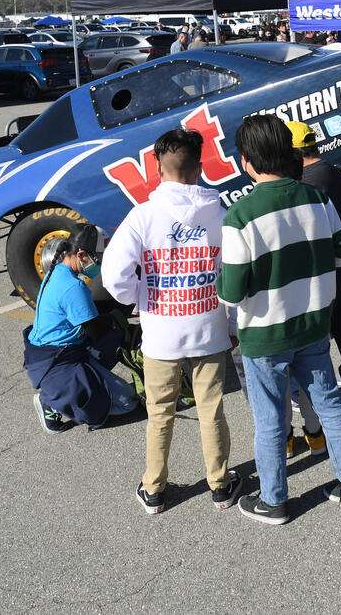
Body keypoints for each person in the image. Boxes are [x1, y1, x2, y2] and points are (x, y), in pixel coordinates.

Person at [218, 115, 341, 524]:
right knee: (329, 402)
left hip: (265, 335)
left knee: (271, 418)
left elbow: (231, 292)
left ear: (246, 160)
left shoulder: (240, 215)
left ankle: (274, 500)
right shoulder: (317, 199)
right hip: (313, 324)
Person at [101, 129, 240, 514]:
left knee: (159, 412)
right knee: (211, 408)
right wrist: (231, 326)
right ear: (199, 167)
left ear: (156, 167)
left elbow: (114, 276)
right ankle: (220, 485)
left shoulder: (143, 217)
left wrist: (142, 298)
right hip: (208, 328)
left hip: (161, 334)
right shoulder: (219, 215)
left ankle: (155, 489)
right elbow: (235, 273)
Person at [22, 225, 141, 433]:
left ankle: (93, 380)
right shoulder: (73, 287)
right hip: (58, 362)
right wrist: (115, 318)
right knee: (127, 403)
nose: (99, 264)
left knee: (116, 335)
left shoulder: (56, 272)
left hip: (58, 350)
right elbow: (94, 331)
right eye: (97, 258)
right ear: (81, 255)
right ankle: (50, 401)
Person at [285, 121, 341, 392]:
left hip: (319, 260)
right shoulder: (332, 171)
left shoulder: (305, 181)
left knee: (316, 323)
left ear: (293, 152)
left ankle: (313, 389)